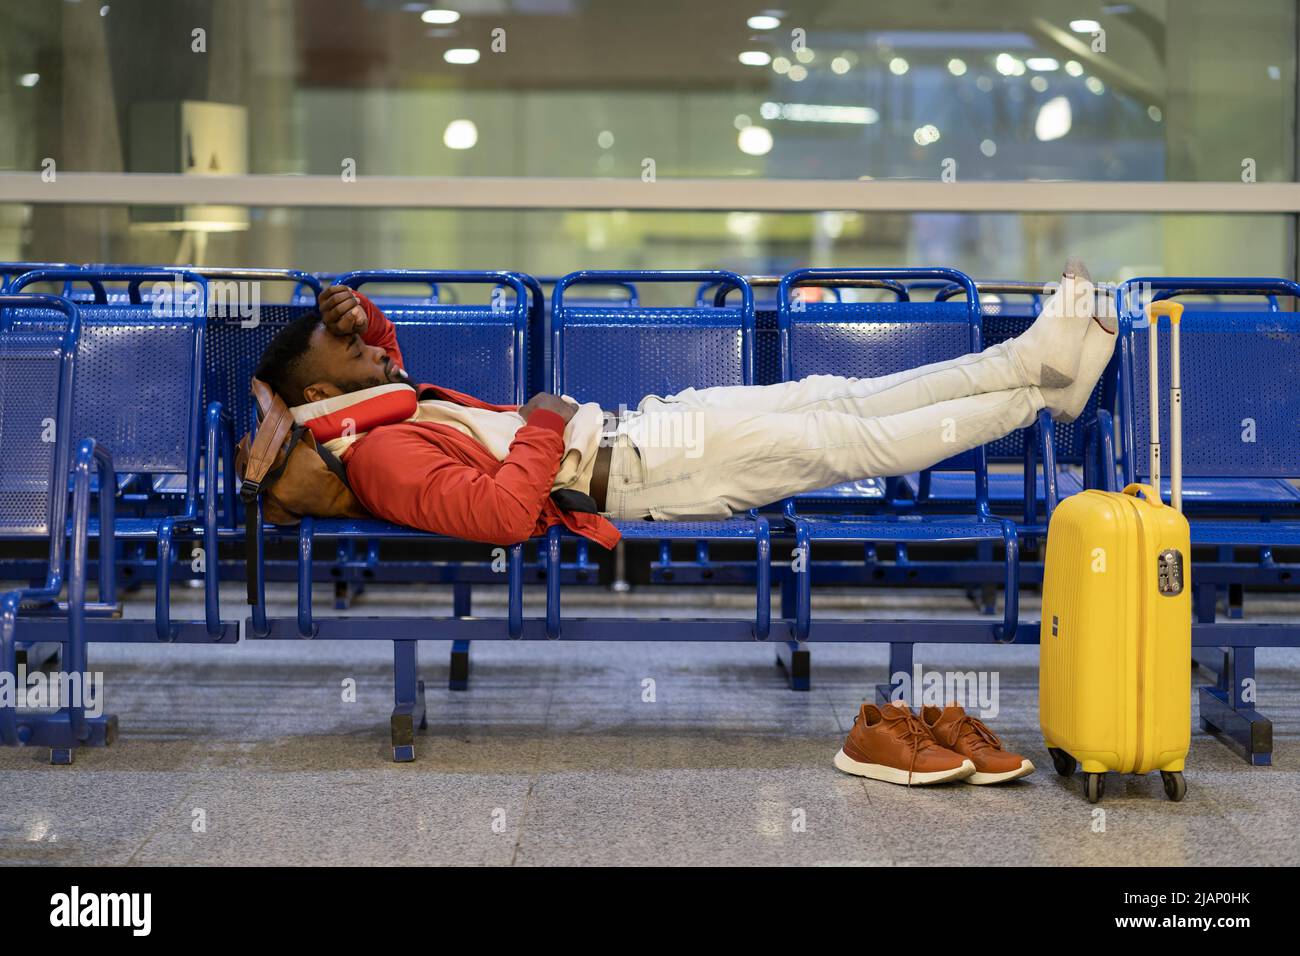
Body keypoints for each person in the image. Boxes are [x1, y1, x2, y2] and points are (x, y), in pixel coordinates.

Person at [253, 260, 1114, 549]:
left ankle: (1030, 363)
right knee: (848, 443)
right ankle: (1033, 401)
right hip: (639, 470)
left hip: (644, 430)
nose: (376, 348)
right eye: (353, 349)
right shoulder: (378, 455)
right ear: (323, 395)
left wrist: (357, 315)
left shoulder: (380, 412)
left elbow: (388, 370)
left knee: (839, 397)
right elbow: (504, 515)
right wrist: (546, 420)